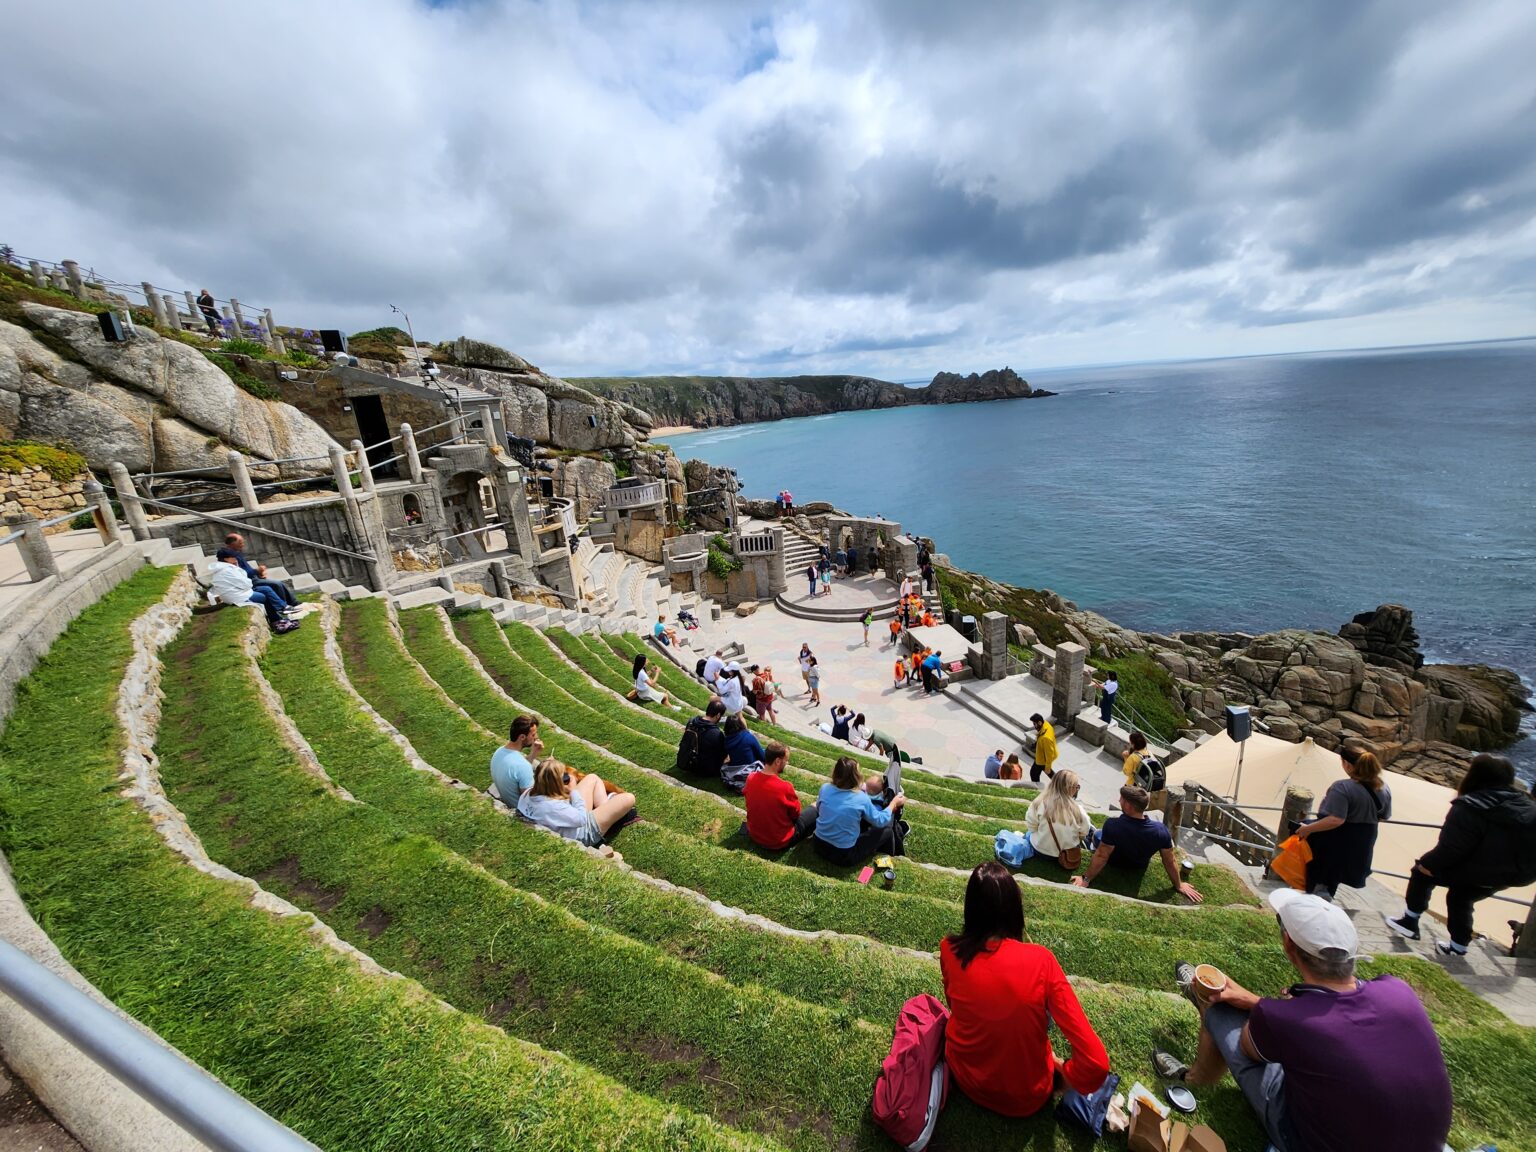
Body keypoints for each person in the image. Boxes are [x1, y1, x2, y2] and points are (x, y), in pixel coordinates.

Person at [1154, 890, 1453, 1152]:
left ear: (1288, 944)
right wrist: (1259, 1003)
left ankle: (1195, 1078)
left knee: (1219, 1009)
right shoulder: (1398, 991)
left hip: (1306, 1140)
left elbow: (1248, 1048)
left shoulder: (1288, 1019)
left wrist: (1267, 1011)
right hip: (1426, 1141)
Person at [941, 862, 1109, 1118]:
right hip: (1028, 1096)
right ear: (1014, 910)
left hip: (965, 1077)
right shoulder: (1041, 961)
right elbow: (1096, 1063)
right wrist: (1066, 1076)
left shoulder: (949, 950)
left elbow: (957, 1007)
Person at [1385, 753, 1536, 956]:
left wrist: (1426, 864)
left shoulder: (1470, 806)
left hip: (1486, 870)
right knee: (1461, 895)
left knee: (1422, 872)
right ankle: (1457, 947)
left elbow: (1450, 850)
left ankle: (1410, 922)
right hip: (1521, 874)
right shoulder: (1526, 803)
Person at [1074, 786, 1203, 903]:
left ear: (1129, 806)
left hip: (1114, 862)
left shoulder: (1113, 825)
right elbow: (1169, 861)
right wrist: (1179, 885)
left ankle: (1088, 841)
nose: (1119, 801)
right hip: (1138, 865)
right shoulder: (1161, 831)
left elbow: (1102, 856)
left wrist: (1085, 879)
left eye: (1122, 799)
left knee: (1097, 835)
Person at [1297, 746, 1391, 900]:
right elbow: (1384, 815)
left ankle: (1312, 904)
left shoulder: (1343, 787)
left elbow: (1336, 819)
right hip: (1364, 839)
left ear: (1347, 764)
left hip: (1338, 839)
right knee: (1336, 876)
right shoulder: (1383, 787)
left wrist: (1308, 829)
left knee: (1322, 876)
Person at [517, 757, 636, 847]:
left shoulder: (528, 793)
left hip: (567, 817)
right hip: (583, 830)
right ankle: (608, 814)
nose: (565, 778)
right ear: (555, 784)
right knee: (628, 798)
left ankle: (606, 809)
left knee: (592, 778)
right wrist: (573, 791)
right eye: (563, 777)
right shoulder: (552, 807)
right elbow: (581, 819)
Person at [812, 756, 906, 865]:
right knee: (887, 830)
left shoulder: (825, 788)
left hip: (818, 844)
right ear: (856, 776)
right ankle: (889, 858)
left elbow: (819, 810)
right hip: (843, 855)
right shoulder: (861, 798)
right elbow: (881, 821)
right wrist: (893, 803)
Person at [744, 742, 818, 850]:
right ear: (777, 761)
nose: (787, 763)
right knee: (815, 808)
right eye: (786, 760)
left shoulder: (750, 778)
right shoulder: (785, 787)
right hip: (778, 841)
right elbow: (796, 814)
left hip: (754, 834)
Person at [206, 555, 298, 633]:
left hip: (237, 594)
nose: (236, 558)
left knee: (265, 589)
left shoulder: (221, 570)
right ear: (226, 559)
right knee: (263, 596)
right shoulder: (228, 570)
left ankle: (281, 610)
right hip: (239, 597)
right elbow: (246, 584)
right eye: (233, 557)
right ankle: (277, 618)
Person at [1026, 770, 1093, 866]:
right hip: (1068, 854)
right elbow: (1084, 833)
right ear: (1070, 789)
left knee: (1028, 834)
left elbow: (1031, 827)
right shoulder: (1079, 810)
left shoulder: (1039, 803)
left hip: (1041, 851)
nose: (1077, 789)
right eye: (1076, 787)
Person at [219, 533, 299, 612]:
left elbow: (245, 570)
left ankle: (290, 604)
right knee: (276, 584)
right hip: (247, 583)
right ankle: (285, 606)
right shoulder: (230, 557)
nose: (243, 544)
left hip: (251, 579)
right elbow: (241, 575)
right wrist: (256, 571)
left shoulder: (236, 554)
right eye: (240, 542)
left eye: (243, 542)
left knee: (276, 584)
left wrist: (259, 573)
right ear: (232, 543)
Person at [491, 715, 541, 802]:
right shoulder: (522, 766)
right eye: (533, 735)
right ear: (522, 737)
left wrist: (534, 753)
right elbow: (530, 801)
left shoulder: (499, 752)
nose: (536, 737)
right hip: (519, 809)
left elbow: (518, 770)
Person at [676, 699, 727, 779]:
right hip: (702, 769)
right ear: (718, 715)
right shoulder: (717, 734)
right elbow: (722, 754)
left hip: (687, 759)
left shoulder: (691, 722)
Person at [721, 714, 765, 790]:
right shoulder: (748, 736)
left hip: (735, 770)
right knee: (766, 751)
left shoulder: (726, 740)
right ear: (741, 724)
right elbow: (762, 756)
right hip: (750, 769)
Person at [1028, 714, 1057, 782]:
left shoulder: (1046, 738)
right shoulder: (1046, 725)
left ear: (1040, 723)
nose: (1034, 726)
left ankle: (1037, 788)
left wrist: (1048, 767)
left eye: (1034, 724)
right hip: (1042, 756)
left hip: (1043, 758)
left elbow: (1049, 754)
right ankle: (1061, 785)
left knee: (1034, 773)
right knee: (1050, 774)